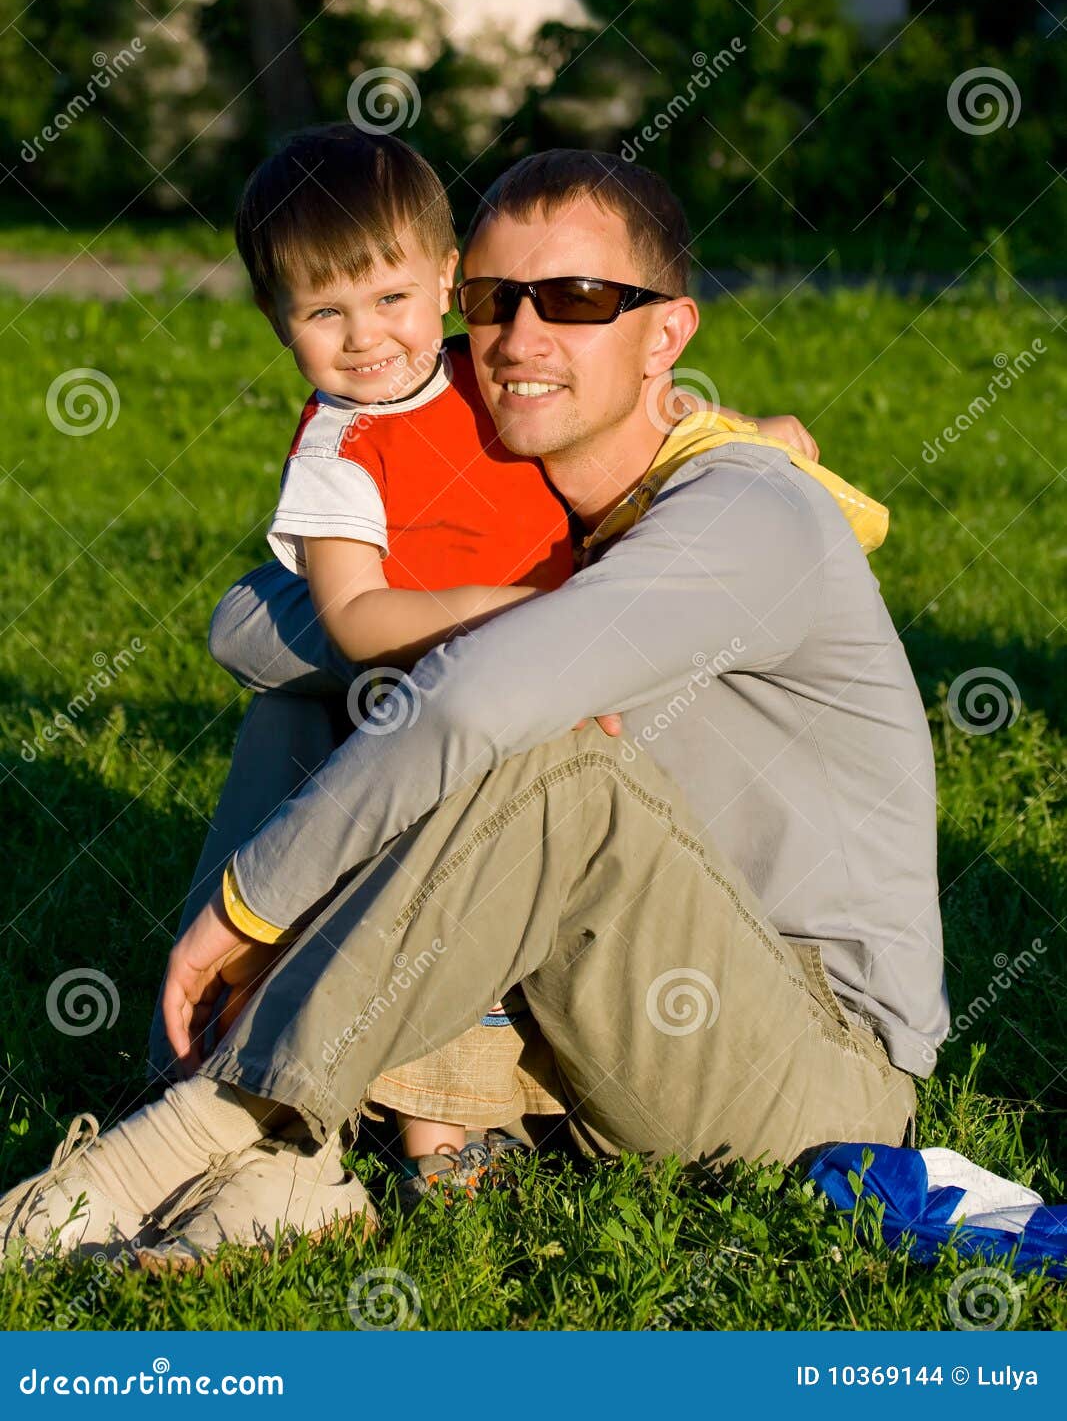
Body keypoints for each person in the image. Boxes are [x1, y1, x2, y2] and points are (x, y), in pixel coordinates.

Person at [0, 149, 948, 1269]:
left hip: (805, 1068)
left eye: (581, 299)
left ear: (666, 334)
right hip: (595, 1016)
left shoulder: (742, 509)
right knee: (321, 708)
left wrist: (251, 903)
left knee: (539, 755)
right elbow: (249, 630)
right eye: (495, 300)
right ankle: (284, 1177)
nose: (522, 336)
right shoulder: (556, 513)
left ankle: (196, 1128)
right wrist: (391, 630)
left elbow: (481, 701)